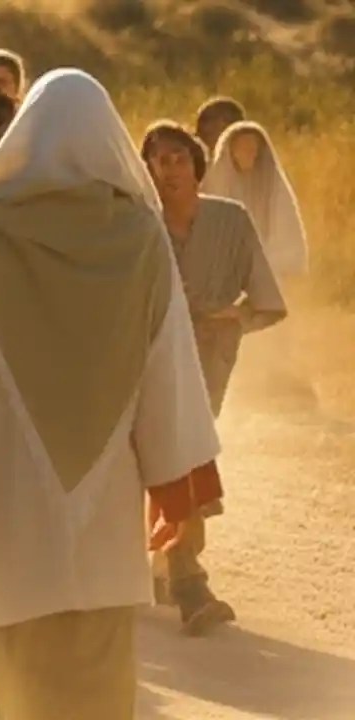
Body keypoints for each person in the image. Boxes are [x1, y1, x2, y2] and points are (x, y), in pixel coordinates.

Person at [0, 70, 224, 719]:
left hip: (7, 512)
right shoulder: (143, 240)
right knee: (99, 684)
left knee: (13, 671)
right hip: (104, 523)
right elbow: (170, 378)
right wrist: (175, 490)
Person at [142, 121, 286, 634]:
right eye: (160, 160)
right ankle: (187, 581)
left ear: (198, 166)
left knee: (186, 458)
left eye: (180, 158)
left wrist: (235, 318)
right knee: (171, 462)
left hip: (208, 362)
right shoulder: (137, 224)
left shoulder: (232, 222)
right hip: (145, 362)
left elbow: (269, 302)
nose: (170, 169)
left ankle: (171, 568)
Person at [202, 121, 308, 279]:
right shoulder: (213, 188)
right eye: (242, 149)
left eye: (252, 149)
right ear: (231, 151)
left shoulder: (275, 188)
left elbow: (287, 232)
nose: (248, 154)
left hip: (270, 271)